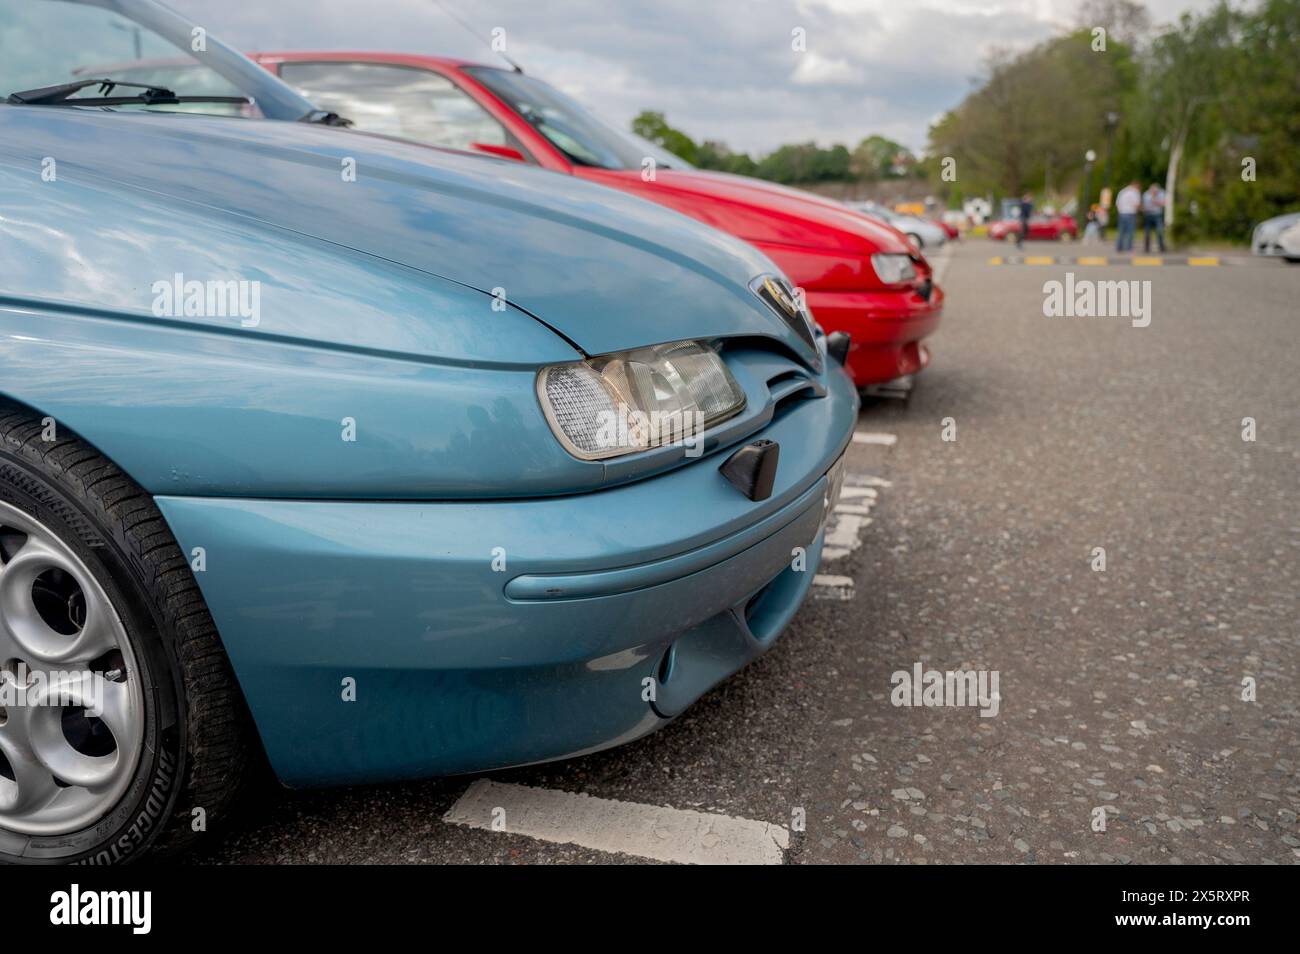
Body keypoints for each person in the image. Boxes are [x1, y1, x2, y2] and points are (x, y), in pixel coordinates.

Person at [1115, 180, 1141, 252]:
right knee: (1130, 231)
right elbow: (1137, 204)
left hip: (1122, 213)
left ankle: (1119, 247)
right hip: (1131, 213)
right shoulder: (1135, 192)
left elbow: (1117, 204)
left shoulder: (1122, 191)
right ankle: (1129, 247)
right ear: (1136, 185)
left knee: (1121, 231)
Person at [1142, 182, 1167, 253]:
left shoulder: (1162, 193)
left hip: (1157, 215)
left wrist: (1155, 200)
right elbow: (1145, 205)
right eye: (1152, 190)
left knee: (1160, 231)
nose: (1154, 192)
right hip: (1148, 215)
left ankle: (1162, 247)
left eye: (1155, 191)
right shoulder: (1146, 194)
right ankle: (1146, 248)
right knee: (1147, 232)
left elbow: (1164, 204)